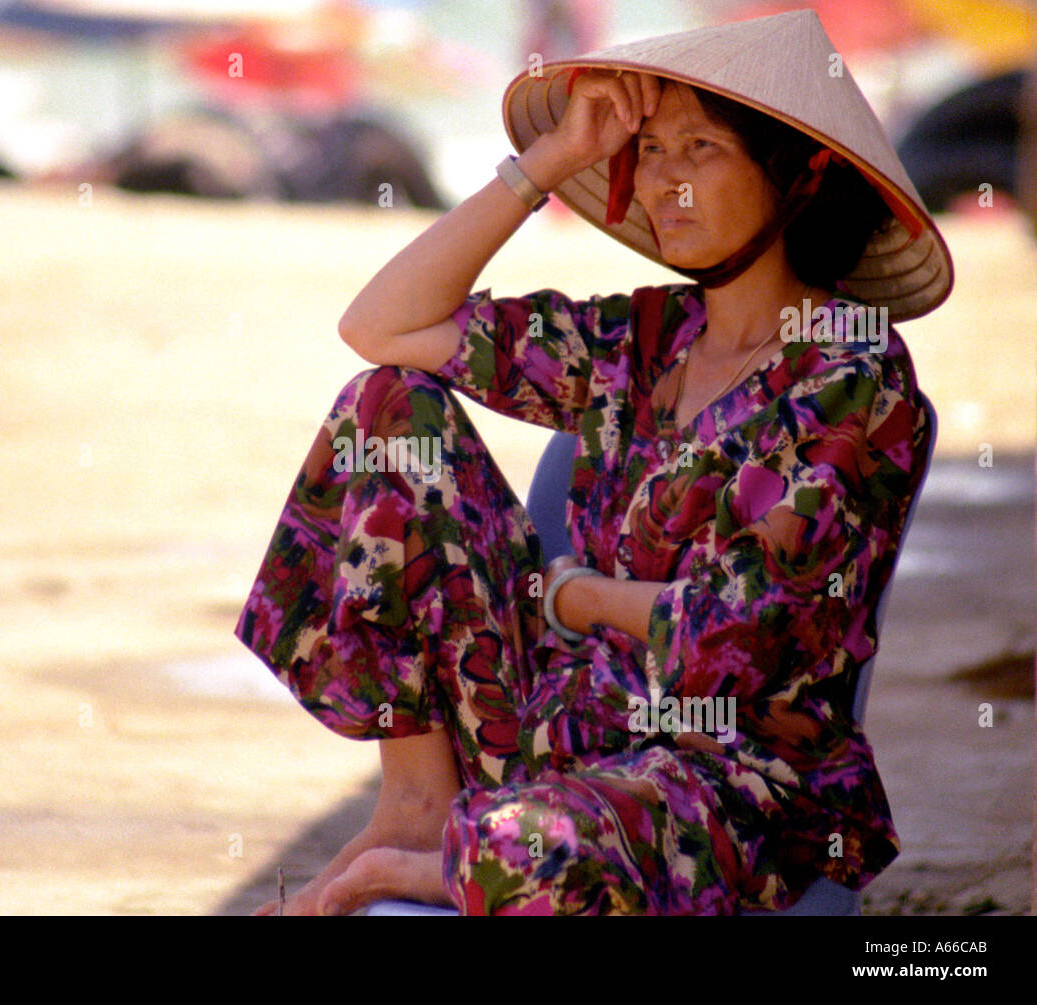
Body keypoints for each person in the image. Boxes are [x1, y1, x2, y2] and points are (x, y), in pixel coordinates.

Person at [234, 10, 953, 915]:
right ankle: (417, 807)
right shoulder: (640, 338)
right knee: (386, 409)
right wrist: (547, 162)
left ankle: (404, 869)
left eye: (702, 147)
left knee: (543, 848)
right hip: (564, 722)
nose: (666, 180)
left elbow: (742, 638)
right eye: (651, 151)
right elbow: (384, 327)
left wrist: (572, 596)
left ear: (800, 176)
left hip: (727, 779)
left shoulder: (853, 372)